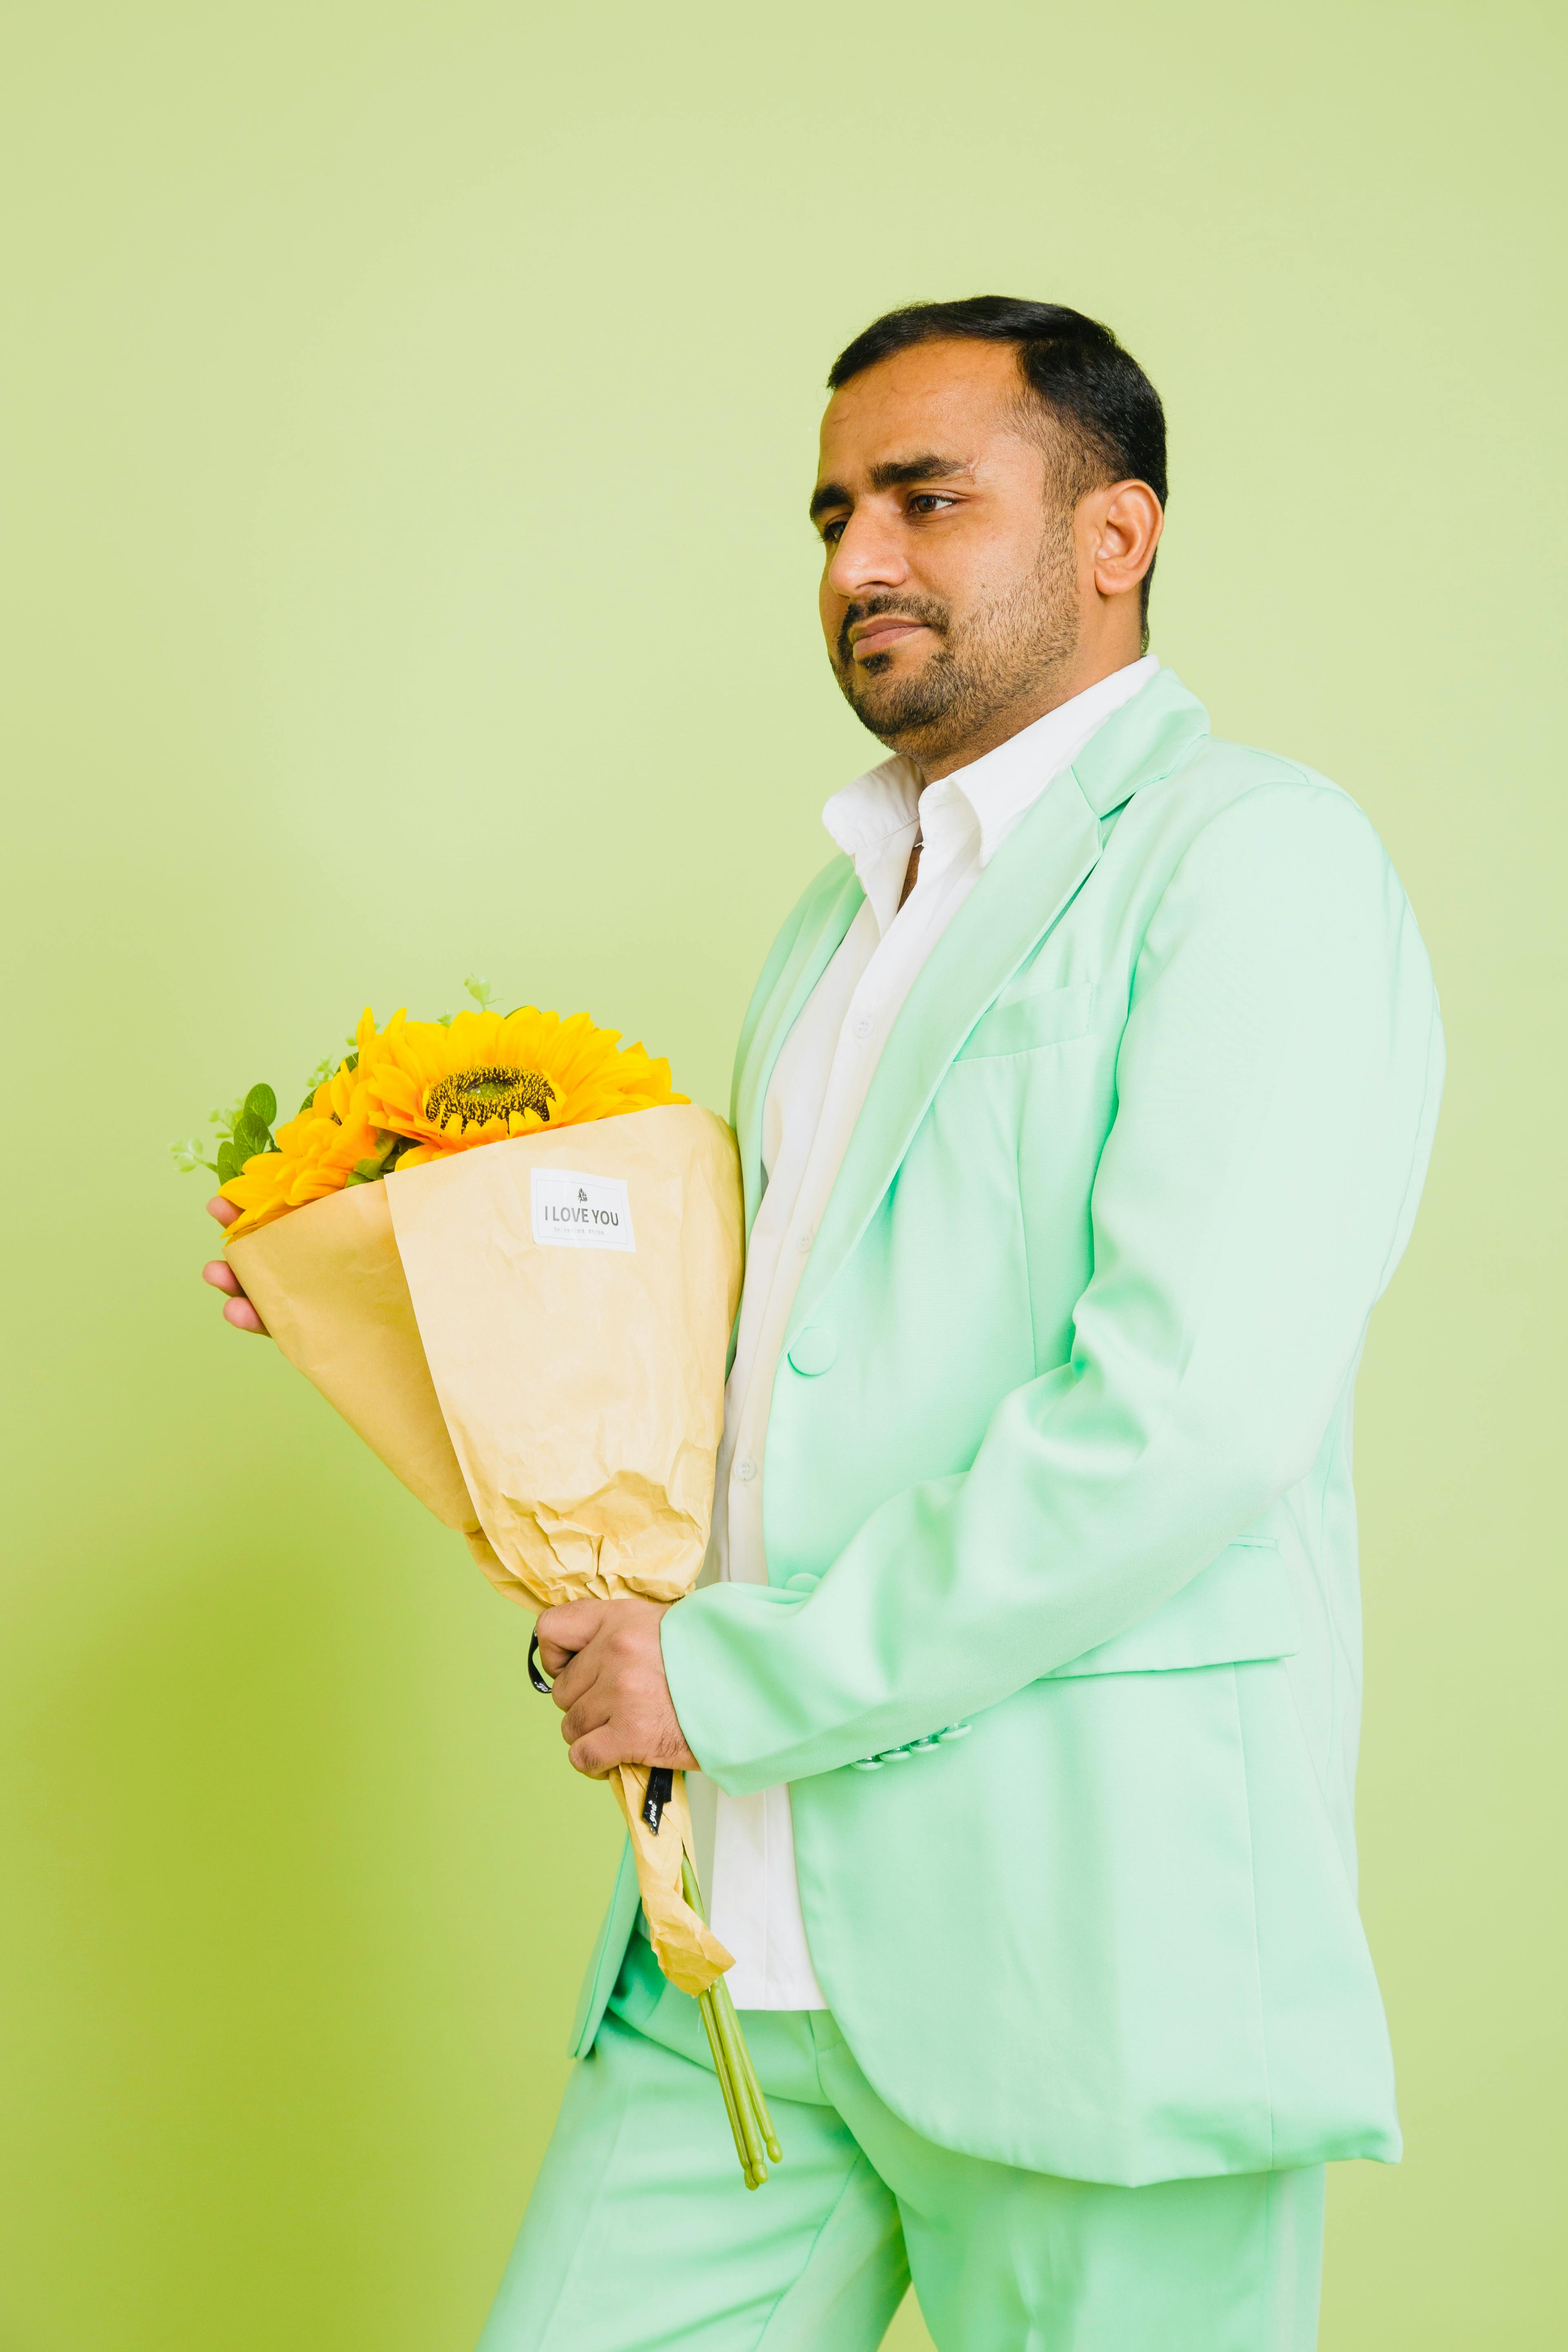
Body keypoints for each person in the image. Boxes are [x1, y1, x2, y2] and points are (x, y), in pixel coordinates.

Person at [205, 297, 1445, 2350]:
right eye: (835, 509)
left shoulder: (1259, 867)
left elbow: (1182, 1418)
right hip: (732, 1959)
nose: (858, 559)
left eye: (925, 500)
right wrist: (408, 1309)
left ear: (1115, 534)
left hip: (1091, 1949)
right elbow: (766, 1367)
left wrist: (740, 1679)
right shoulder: (841, 913)